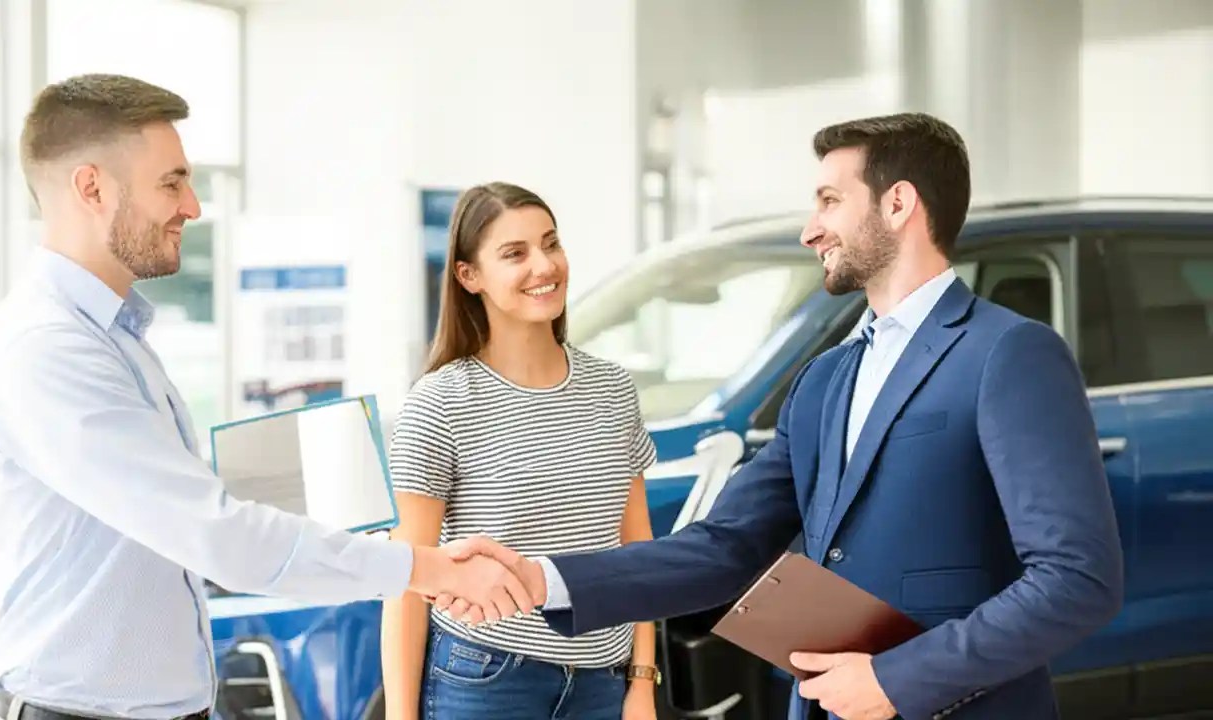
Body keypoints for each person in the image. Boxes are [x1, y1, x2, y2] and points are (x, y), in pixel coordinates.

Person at [441, 113, 1126, 720]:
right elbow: (725, 548)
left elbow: (1078, 579)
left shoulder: (1008, 353)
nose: (810, 229)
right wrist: (538, 578)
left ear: (898, 204)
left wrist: (896, 680)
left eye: (829, 200)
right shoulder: (824, 380)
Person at [0, 74, 532, 720]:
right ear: (91, 188)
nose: (192, 206)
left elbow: (174, 512)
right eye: (171, 183)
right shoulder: (46, 349)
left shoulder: (116, 337)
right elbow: (214, 534)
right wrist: (424, 568)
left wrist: (317, 497)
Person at [379, 182, 660, 720]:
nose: (544, 265)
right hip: (485, 682)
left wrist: (642, 680)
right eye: (515, 253)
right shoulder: (441, 402)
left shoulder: (612, 389)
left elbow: (638, 549)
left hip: (604, 683)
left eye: (551, 244)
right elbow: (408, 579)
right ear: (469, 276)